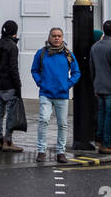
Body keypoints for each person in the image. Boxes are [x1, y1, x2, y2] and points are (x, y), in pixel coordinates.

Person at [32, 26, 81, 163]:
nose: (56, 38)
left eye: (59, 36)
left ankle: (61, 152)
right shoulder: (41, 53)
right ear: (49, 37)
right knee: (43, 120)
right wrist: (40, 83)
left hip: (62, 95)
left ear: (62, 38)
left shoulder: (68, 54)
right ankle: (41, 150)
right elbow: (34, 70)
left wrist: (68, 84)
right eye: (54, 35)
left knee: (62, 124)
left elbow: (77, 72)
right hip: (46, 93)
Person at [89, 19, 111, 155]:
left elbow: (91, 68)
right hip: (110, 87)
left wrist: (95, 85)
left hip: (99, 85)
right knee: (109, 116)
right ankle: (107, 145)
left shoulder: (95, 47)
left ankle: (100, 140)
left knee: (101, 114)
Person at [0, 19, 23, 152]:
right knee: (9, 113)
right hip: (10, 84)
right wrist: (18, 86)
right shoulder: (12, 46)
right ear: (14, 32)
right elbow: (13, 68)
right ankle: (8, 141)